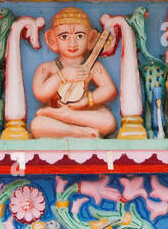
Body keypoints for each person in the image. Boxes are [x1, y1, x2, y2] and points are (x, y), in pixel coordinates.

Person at [30, 8, 117, 138]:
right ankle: (83, 133)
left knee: (108, 121)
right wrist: (62, 75)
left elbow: (109, 89)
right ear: (52, 40)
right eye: (64, 37)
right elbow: (40, 93)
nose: (72, 43)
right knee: (37, 125)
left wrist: (87, 100)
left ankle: (68, 116)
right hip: (56, 116)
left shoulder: (93, 66)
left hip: (83, 114)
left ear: (91, 39)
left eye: (80, 36)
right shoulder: (47, 68)